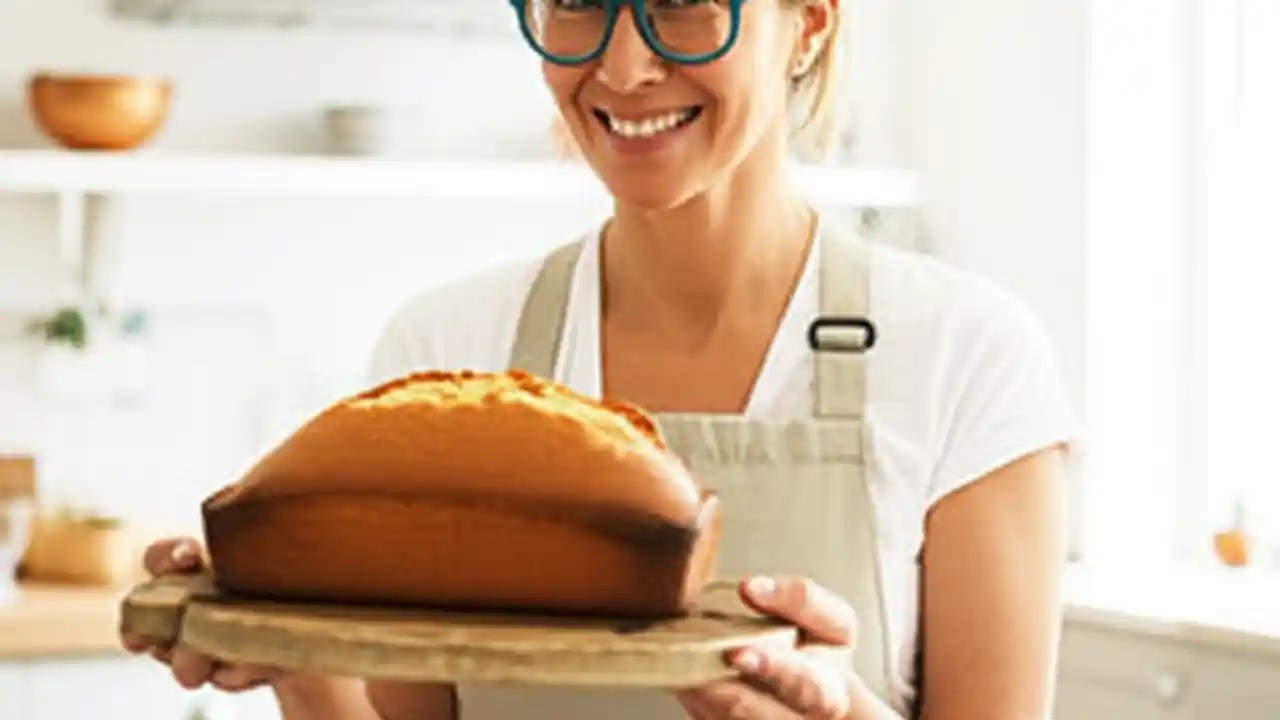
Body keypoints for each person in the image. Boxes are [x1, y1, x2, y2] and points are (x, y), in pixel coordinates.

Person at [121, 0, 1076, 717]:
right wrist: (293, 647)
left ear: (809, 23)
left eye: (682, 1)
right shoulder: (449, 354)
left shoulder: (968, 361)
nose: (621, 67)